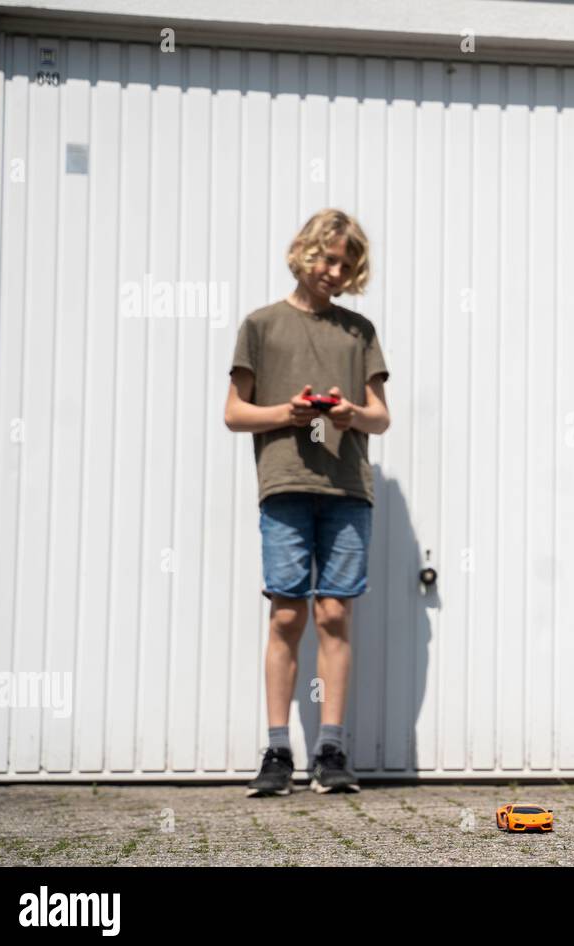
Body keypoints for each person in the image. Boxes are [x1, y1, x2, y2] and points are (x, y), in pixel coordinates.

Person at [224, 209, 391, 797]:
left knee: (335, 615)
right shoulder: (261, 326)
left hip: (347, 491)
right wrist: (286, 414)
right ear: (303, 254)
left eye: (346, 263)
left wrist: (349, 416)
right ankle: (276, 751)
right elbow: (234, 413)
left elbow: (381, 417)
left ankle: (332, 750)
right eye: (327, 257)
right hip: (285, 486)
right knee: (289, 614)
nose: (335, 270)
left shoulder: (359, 332)